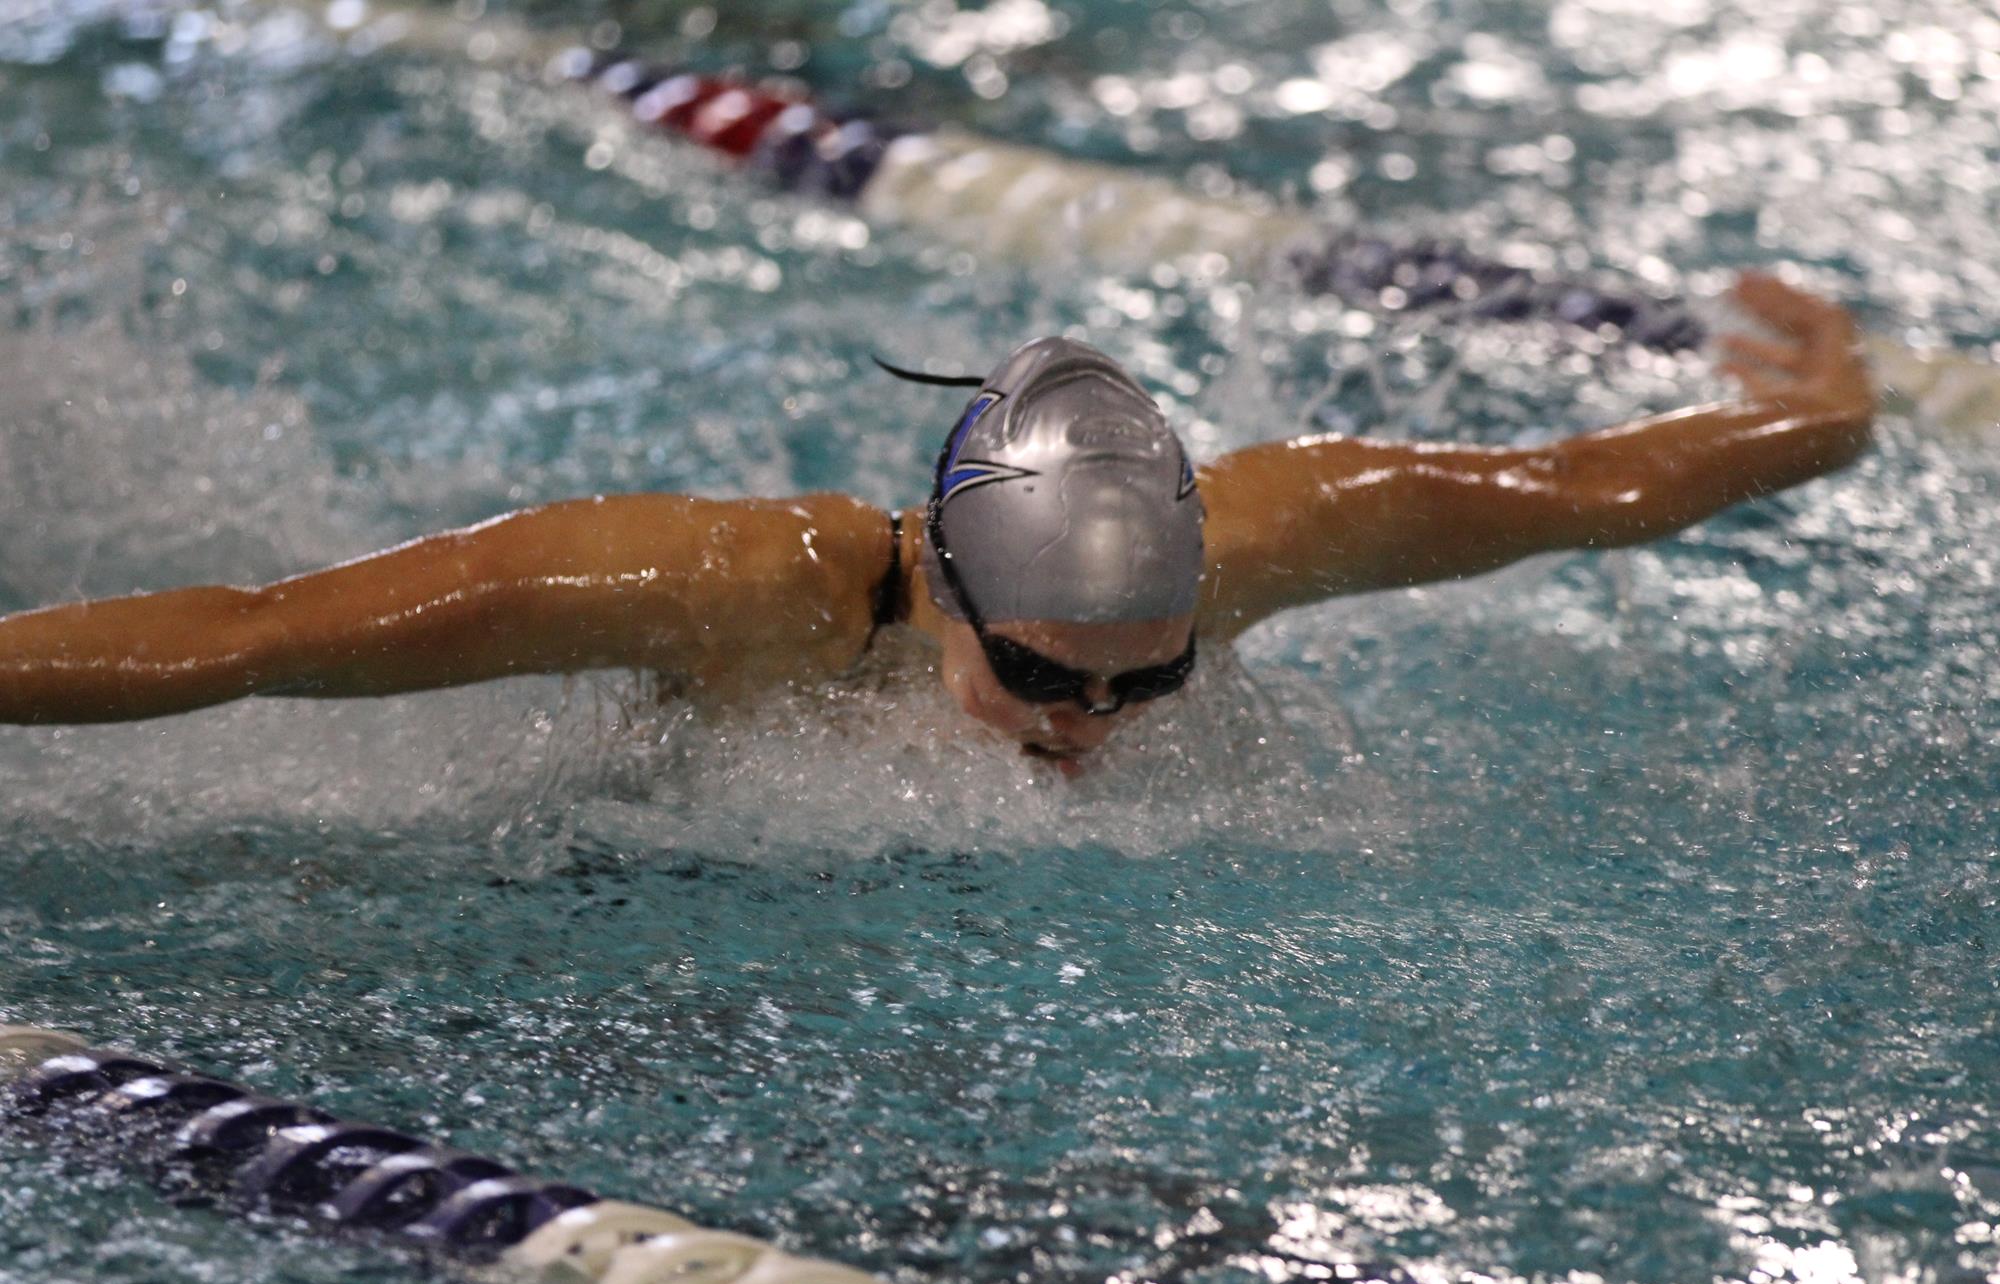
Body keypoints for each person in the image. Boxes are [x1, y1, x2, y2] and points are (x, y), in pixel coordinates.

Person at [0, 273, 1873, 775]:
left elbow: (1578, 491)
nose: (1089, 733)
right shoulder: (738, 593)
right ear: (949, 583)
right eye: (1047, 676)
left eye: (1149, 689)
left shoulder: (1269, 533)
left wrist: (1825, 422)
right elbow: (253, 637)